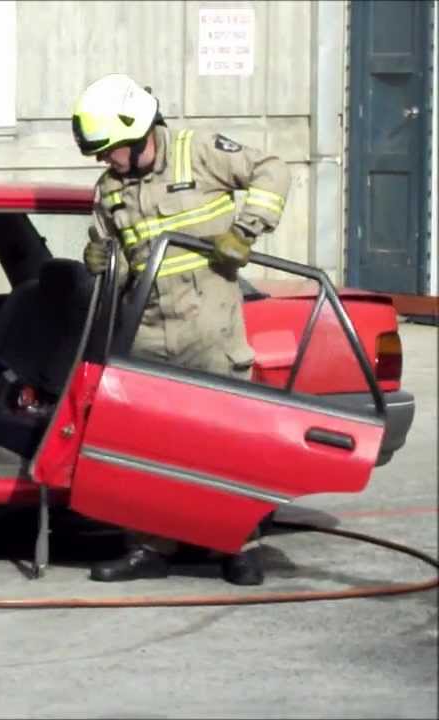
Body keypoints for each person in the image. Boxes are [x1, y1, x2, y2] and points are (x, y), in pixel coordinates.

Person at [71, 73, 291, 586]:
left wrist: (245, 231)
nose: (105, 162)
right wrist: (99, 258)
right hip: (147, 331)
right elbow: (116, 251)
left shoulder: (202, 151)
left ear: (137, 134)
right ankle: (150, 548)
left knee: (227, 440)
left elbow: (273, 170)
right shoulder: (109, 191)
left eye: (109, 151)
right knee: (150, 447)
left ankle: (239, 545)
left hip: (209, 326)